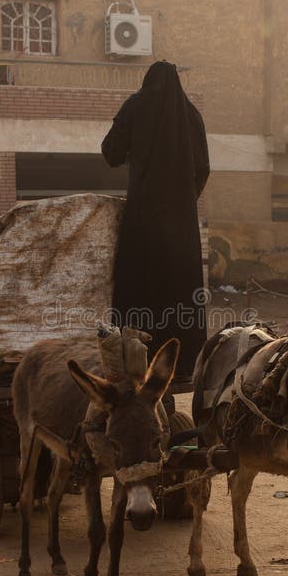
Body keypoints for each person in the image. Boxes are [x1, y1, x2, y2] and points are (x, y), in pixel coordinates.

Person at [101, 60, 210, 380]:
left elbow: (110, 152)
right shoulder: (191, 115)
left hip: (142, 220)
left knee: (139, 287)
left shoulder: (136, 106)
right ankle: (183, 366)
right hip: (181, 226)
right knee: (180, 293)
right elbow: (203, 168)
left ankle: (135, 362)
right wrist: (184, 202)